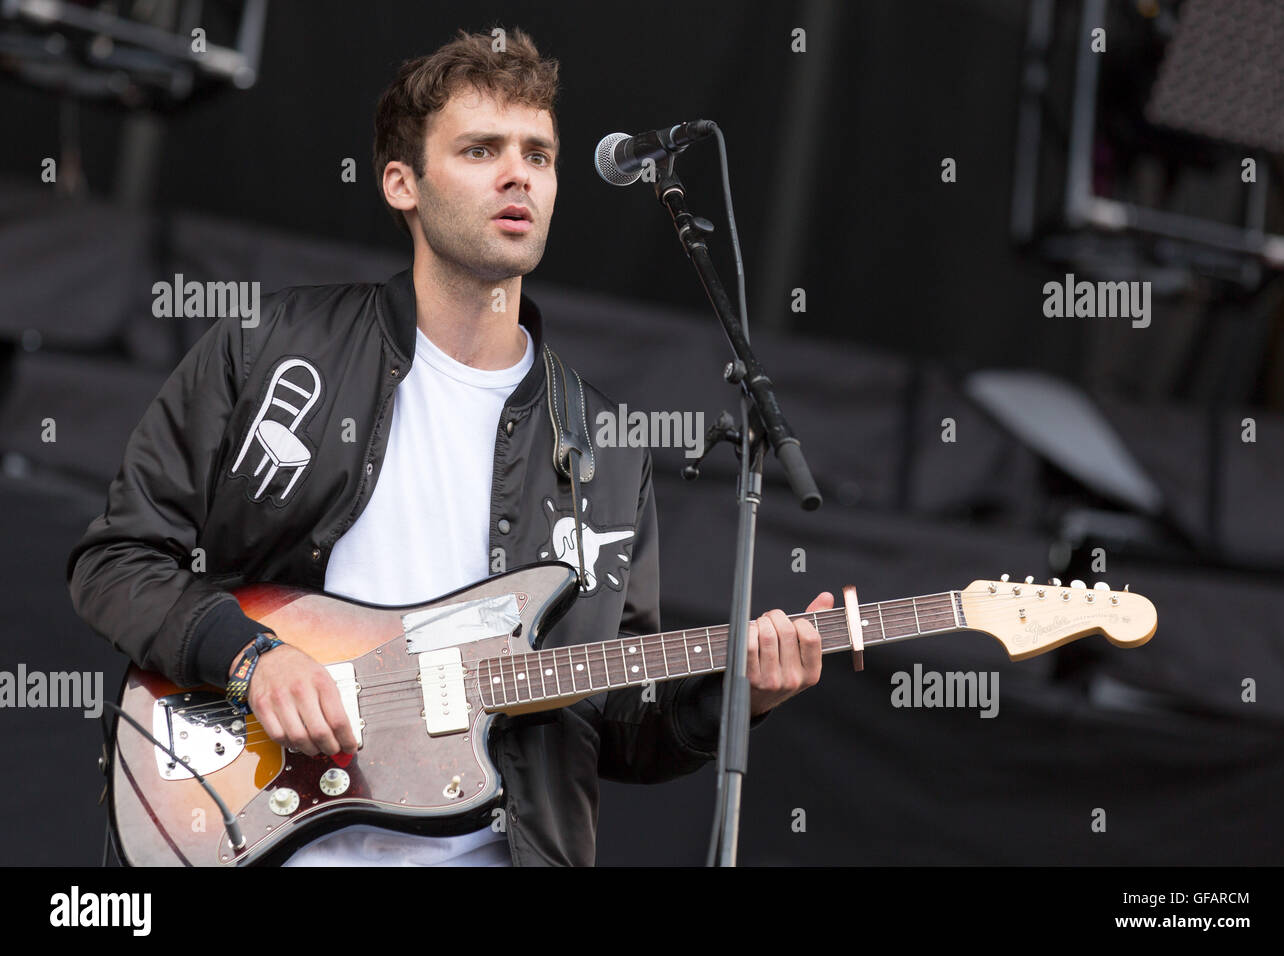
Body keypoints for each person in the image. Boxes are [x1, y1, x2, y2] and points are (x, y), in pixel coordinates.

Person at [66, 26, 830, 866]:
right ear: (403, 184)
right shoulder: (274, 346)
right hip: (256, 832)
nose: (519, 175)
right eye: (480, 149)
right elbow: (119, 563)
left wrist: (740, 693)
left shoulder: (603, 445)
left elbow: (617, 724)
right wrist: (252, 659)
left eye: (539, 155)